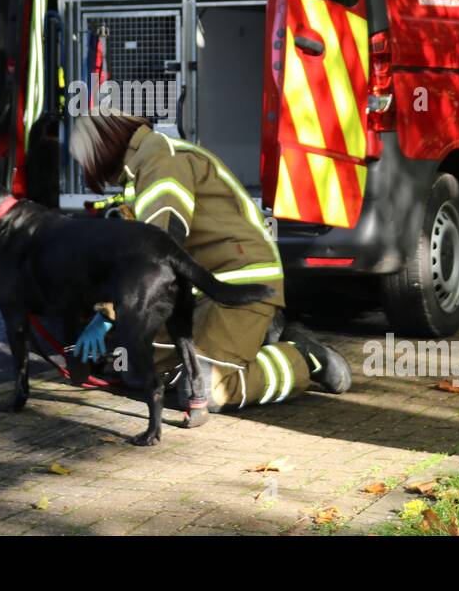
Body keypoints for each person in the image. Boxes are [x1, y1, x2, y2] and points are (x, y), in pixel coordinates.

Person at [68, 112, 351, 417]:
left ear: (103, 148)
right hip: (201, 295)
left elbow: (156, 253)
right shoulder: (142, 167)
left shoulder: (161, 162)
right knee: (135, 368)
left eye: (86, 160)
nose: (88, 170)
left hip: (239, 286)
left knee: (207, 389)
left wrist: (108, 314)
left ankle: (303, 358)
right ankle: (263, 336)